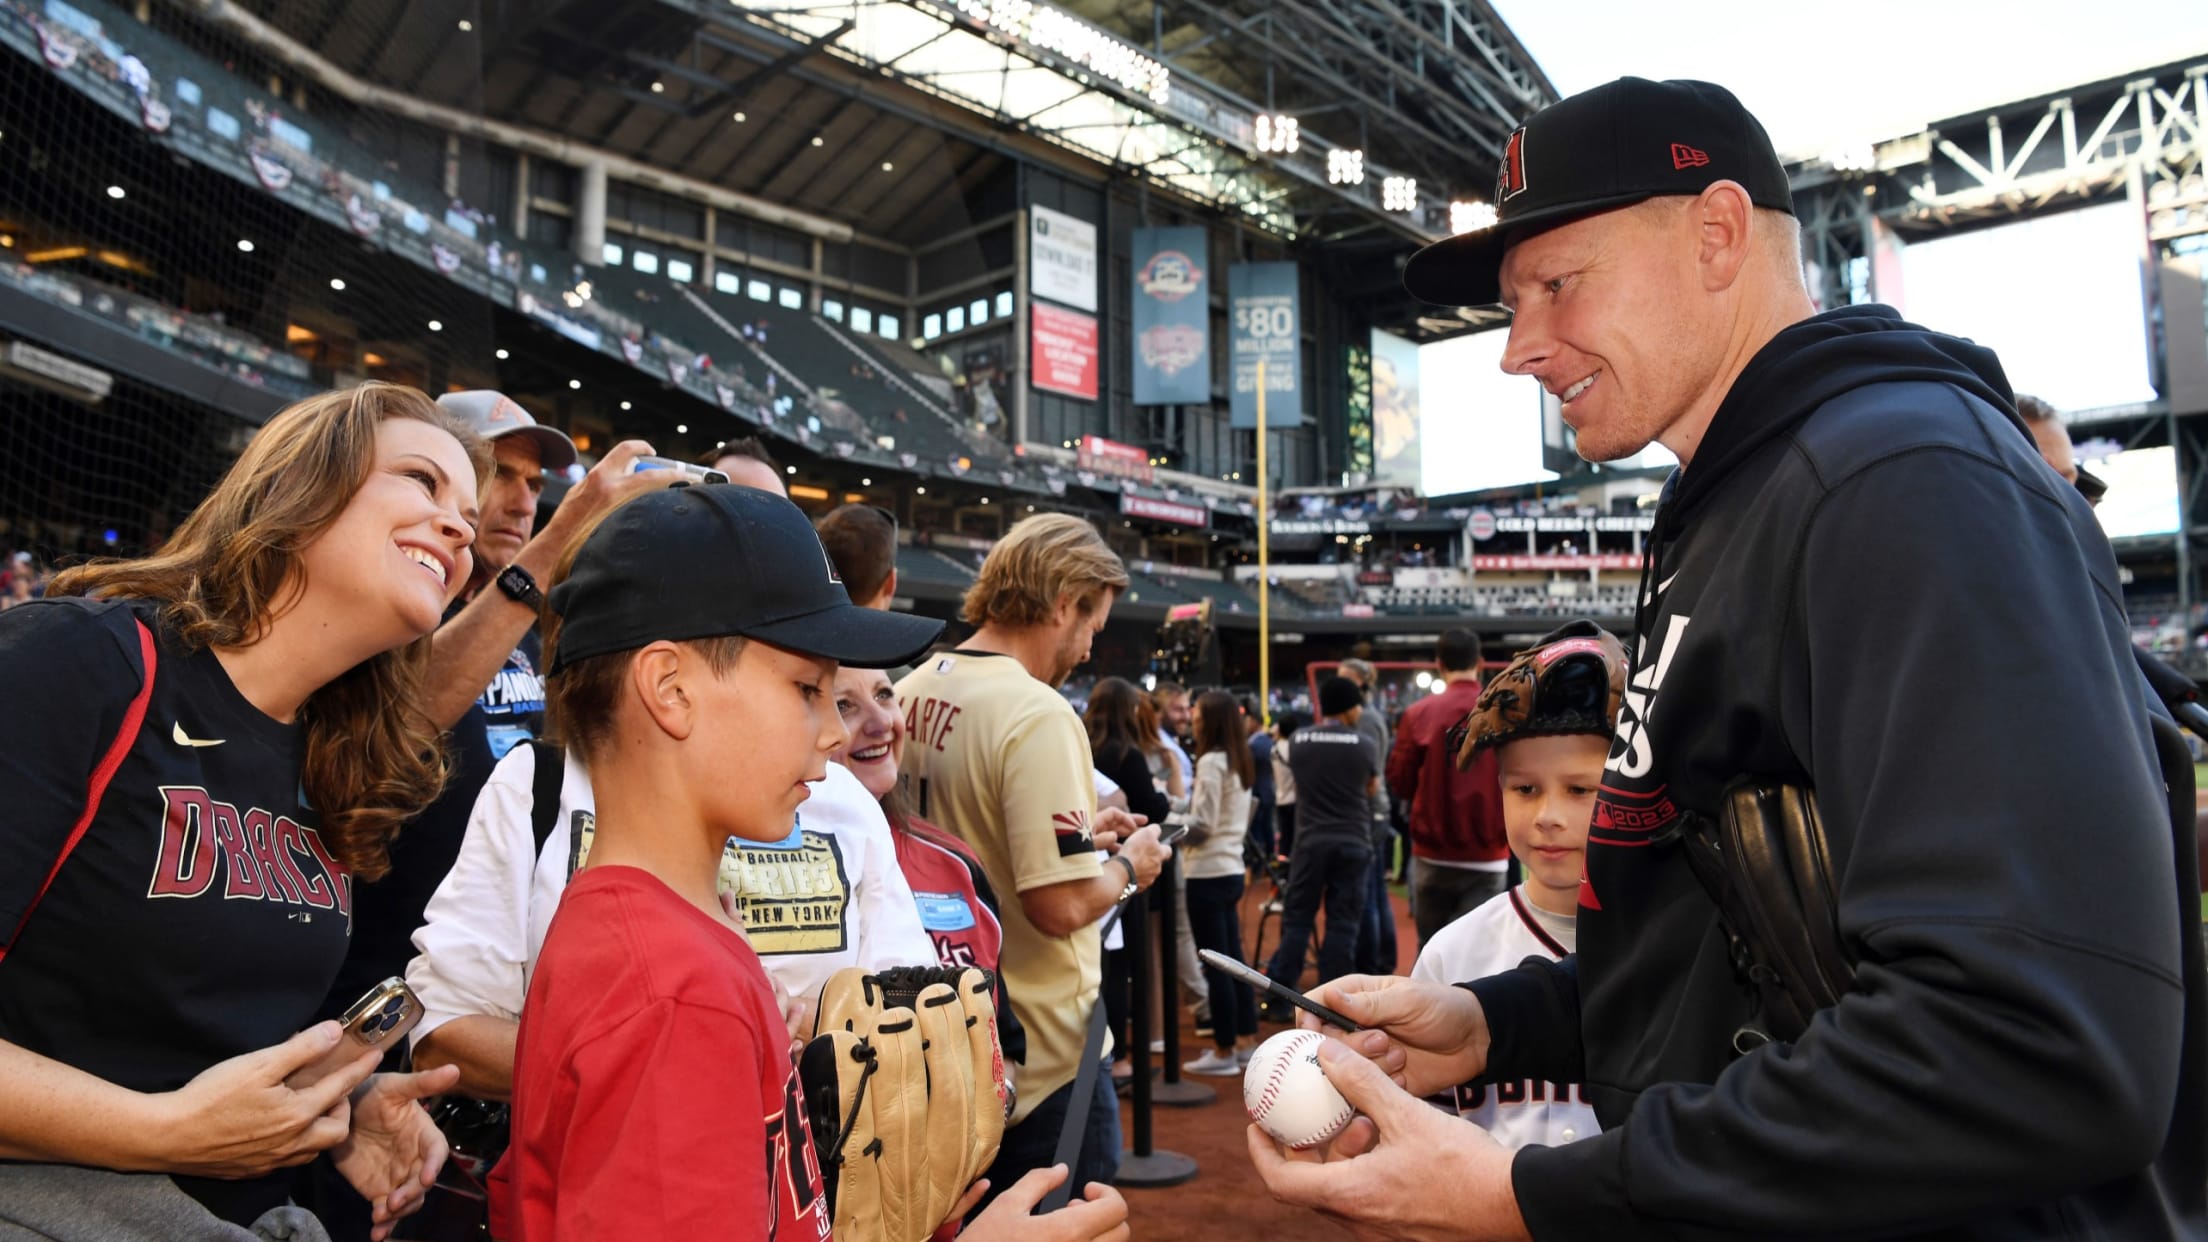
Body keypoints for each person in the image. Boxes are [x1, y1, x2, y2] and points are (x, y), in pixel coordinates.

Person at [1249, 76, 2204, 1240]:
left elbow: (2035, 1045)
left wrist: (1528, 1194)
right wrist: (1500, 1024)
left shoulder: (1898, 480)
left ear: (1716, 233)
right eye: (1511, 303)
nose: (1518, 349)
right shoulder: (1748, 498)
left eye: (1557, 285)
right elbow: (1736, 957)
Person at [495, 486, 1125, 1241]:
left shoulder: (635, 927)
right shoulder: (676, 993)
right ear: (670, 689)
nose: (835, 731)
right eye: (807, 690)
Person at [0, 383, 487, 1240]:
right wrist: (158, 1132)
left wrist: (336, 1106)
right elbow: (167, 1101)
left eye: (469, 521)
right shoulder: (84, 661)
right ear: (301, 488)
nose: (458, 529)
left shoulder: (336, 755)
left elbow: (191, 1037)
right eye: (422, 481)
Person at [895, 514, 1173, 1204]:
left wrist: (1080, 841)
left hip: (942, 1036)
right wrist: (1130, 868)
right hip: (1046, 1055)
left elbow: (972, 836)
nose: (1088, 647)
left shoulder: (911, 688)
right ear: (1061, 604)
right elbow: (1060, 905)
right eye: (1091, 625)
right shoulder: (1037, 711)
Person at [1408, 623, 1618, 1151]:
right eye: (1524, 788)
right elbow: (1426, 1136)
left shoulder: (1687, 953)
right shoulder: (1451, 953)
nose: (1547, 815)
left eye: (1580, 789)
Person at [1260, 676, 1379, 1016]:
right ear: (1349, 708)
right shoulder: (1365, 743)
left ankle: (1281, 1000)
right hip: (1353, 840)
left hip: (1310, 841)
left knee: (1298, 920)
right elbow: (1371, 788)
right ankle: (1332, 1006)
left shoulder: (1299, 740)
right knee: (1343, 924)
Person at [1387, 629, 1508, 947]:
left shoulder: (1419, 713)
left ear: (1439, 664)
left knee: (1431, 954)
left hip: (1433, 854)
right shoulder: (1505, 712)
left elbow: (1400, 782)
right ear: (1480, 662)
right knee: (1477, 958)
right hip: (1488, 853)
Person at [1085, 677, 1172, 1091]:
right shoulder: (1127, 753)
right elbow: (1151, 808)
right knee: (1118, 965)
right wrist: (1163, 790)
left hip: (1088, 862)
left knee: (1098, 968)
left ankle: (1109, 1055)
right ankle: (1117, 1059)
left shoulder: (1082, 745)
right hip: (1121, 866)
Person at [1180, 689, 1260, 1076]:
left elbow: (1202, 825)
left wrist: (1166, 825)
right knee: (1233, 961)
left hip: (1207, 871)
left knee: (1216, 965)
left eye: (1196, 714)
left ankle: (1224, 1048)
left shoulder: (1212, 760)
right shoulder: (1238, 758)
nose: (1192, 719)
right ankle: (1244, 1040)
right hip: (1230, 867)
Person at [1338, 659, 1397, 975]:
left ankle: (1372, 966)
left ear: (1361, 681)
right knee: (1374, 892)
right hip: (1372, 809)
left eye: (1346, 678)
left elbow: (1368, 772)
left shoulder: (1367, 719)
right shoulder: (1366, 716)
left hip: (1371, 810)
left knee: (1369, 896)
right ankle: (1382, 960)